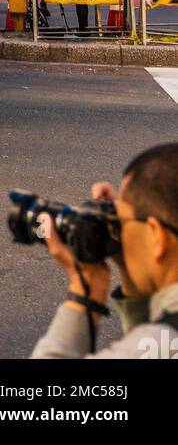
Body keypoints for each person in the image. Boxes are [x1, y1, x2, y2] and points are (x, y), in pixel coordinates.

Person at [32, 143, 178, 358]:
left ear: (157, 237)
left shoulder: (161, 345)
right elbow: (154, 330)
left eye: (122, 222)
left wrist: (85, 289)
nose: (119, 232)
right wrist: (130, 264)